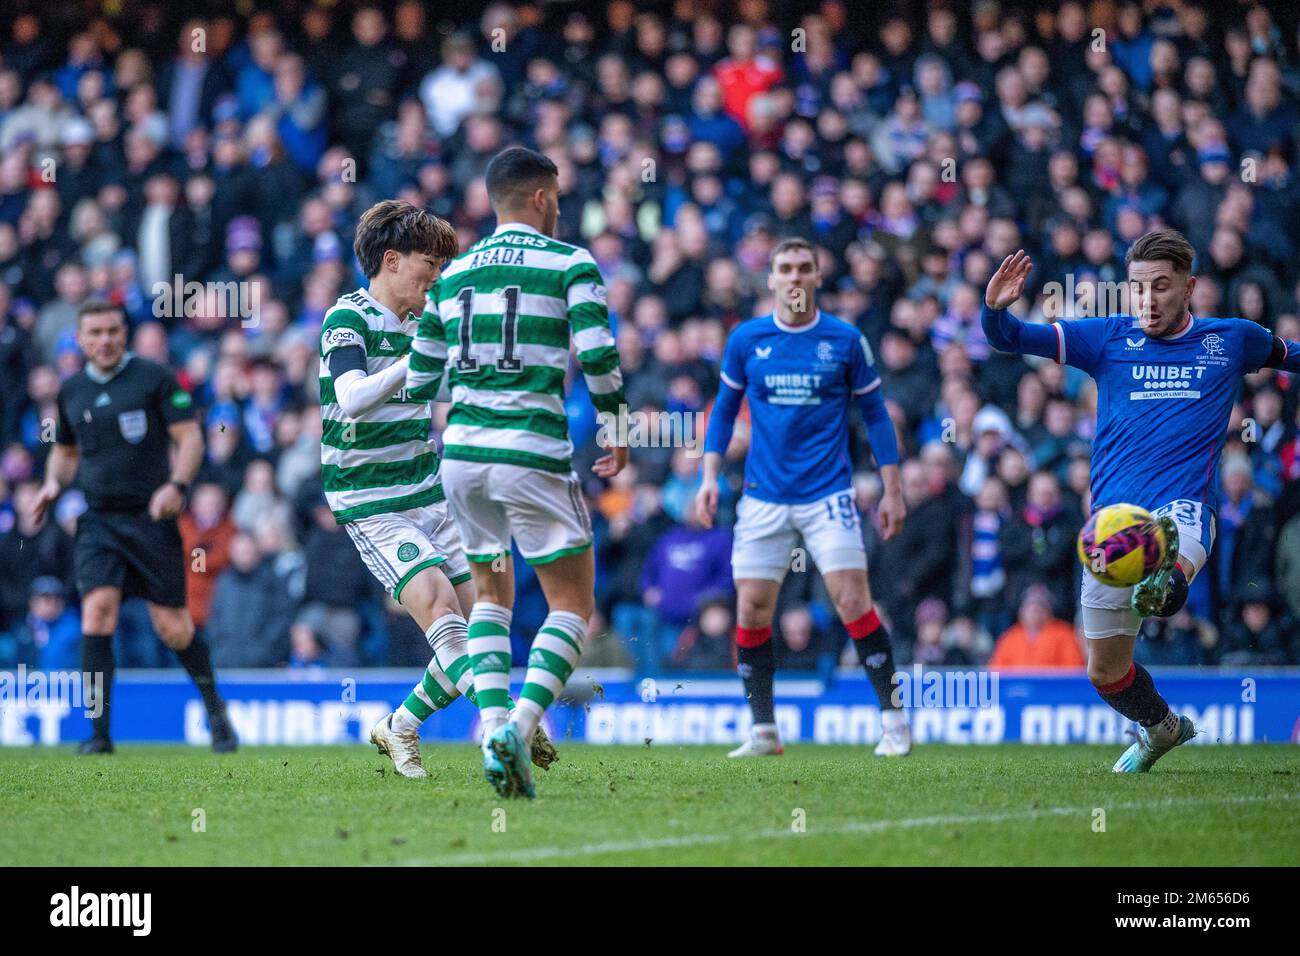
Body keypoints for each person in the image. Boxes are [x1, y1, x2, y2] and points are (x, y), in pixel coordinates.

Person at [981, 228, 1300, 772]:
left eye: (1161, 287)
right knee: (1105, 672)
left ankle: (1164, 582)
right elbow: (1010, 339)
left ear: (1190, 286)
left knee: (1168, 583)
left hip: (1185, 511)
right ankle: (1160, 729)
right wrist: (994, 311)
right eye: (1138, 287)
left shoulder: (1232, 339)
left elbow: (1293, 356)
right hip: (1111, 528)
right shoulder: (1106, 338)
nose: (1148, 300)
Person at [409, 146, 628, 798]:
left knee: (491, 593)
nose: (559, 208)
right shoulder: (570, 262)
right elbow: (598, 356)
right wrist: (617, 430)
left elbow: (423, 380)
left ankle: (493, 720)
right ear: (540, 198)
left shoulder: (451, 276)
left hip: (463, 456)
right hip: (529, 452)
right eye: (556, 198)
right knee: (572, 603)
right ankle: (520, 725)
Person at [318, 199, 556, 778]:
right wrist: (415, 360)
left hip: (429, 491)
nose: (439, 278)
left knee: (485, 621)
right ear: (392, 261)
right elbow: (350, 396)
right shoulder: (347, 319)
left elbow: (455, 392)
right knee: (440, 610)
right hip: (370, 499)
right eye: (431, 265)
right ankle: (504, 730)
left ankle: (400, 725)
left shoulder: (434, 321)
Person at [695, 237, 911, 759]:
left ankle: (894, 721)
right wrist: (708, 476)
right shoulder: (747, 339)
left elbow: (877, 416)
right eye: (785, 269)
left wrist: (893, 489)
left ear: (817, 277)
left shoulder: (844, 339)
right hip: (763, 495)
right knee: (751, 609)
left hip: (828, 492)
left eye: (804, 268)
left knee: (853, 601)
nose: (794, 277)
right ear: (770, 280)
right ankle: (764, 731)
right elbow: (724, 411)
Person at [31, 301, 236, 754]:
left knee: (173, 629)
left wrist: (178, 485)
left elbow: (190, 438)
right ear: (81, 340)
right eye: (95, 333)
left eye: (112, 331)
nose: (104, 340)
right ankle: (99, 735)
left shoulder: (155, 378)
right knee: (96, 611)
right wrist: (50, 484)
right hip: (99, 520)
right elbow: (64, 452)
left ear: (124, 334)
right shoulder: (72, 391)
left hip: (152, 518)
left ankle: (215, 710)